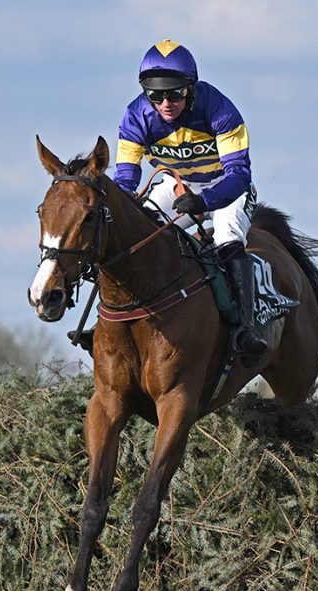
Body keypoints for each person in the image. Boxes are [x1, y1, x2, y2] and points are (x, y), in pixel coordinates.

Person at [75, 39, 265, 358]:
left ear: (190, 88)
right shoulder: (135, 117)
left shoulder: (219, 108)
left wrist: (204, 202)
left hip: (227, 188)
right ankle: (105, 323)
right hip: (176, 187)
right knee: (130, 232)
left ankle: (244, 329)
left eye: (175, 93)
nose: (166, 103)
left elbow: (238, 175)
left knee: (228, 235)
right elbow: (126, 179)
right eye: (156, 95)